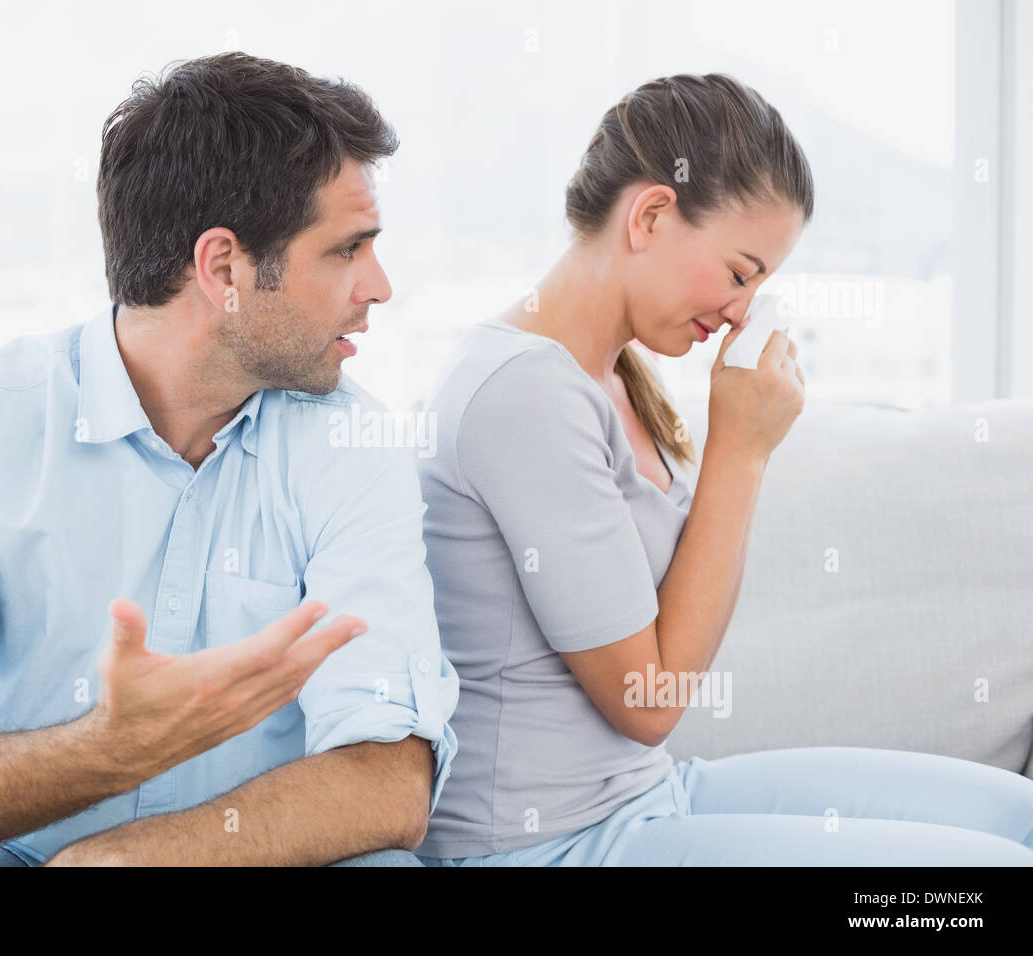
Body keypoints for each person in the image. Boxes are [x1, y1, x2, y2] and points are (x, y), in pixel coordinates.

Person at [0, 51, 458, 867]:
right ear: (223, 268)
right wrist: (109, 749)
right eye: (346, 249)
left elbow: (389, 780)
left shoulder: (351, 446)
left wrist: (128, 860)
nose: (380, 286)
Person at [413, 73, 1033, 866]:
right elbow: (649, 701)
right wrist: (740, 452)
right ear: (650, 215)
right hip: (548, 845)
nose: (744, 311)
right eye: (741, 272)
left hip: (647, 795)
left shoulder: (610, 374)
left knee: (1016, 817)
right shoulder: (525, 392)